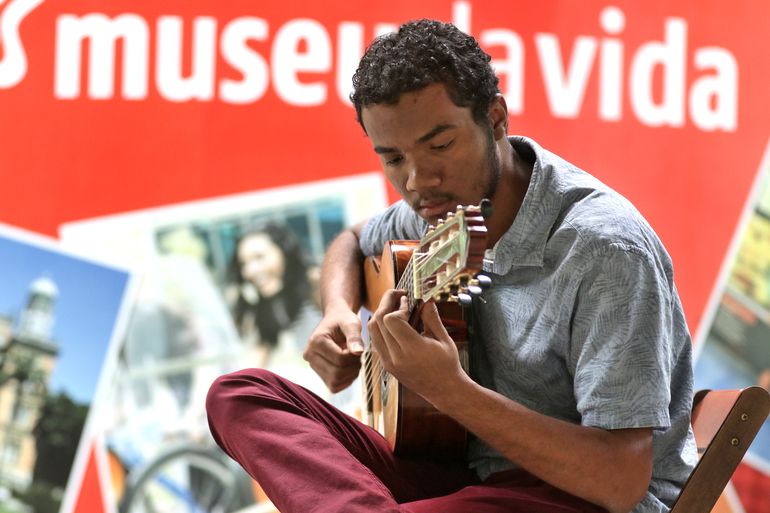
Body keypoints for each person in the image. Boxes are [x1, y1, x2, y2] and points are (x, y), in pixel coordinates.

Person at [206, 19, 697, 513]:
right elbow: (352, 242)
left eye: (440, 145)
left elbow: (619, 480)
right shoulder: (440, 208)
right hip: (463, 475)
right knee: (239, 394)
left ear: (496, 118)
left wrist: (449, 390)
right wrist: (337, 309)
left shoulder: (604, 249)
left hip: (581, 495)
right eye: (394, 158)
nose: (419, 180)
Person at [225, 222, 321, 367]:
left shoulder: (314, 282)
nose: (251, 270)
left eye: (259, 257)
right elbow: (257, 359)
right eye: (244, 263)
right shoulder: (269, 302)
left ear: (284, 251)